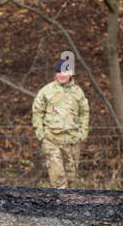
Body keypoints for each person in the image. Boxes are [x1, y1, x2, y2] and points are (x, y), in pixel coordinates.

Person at [32, 59, 89, 189]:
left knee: (72, 177)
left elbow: (85, 112)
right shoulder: (46, 91)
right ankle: (60, 204)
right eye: (59, 72)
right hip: (52, 138)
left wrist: (83, 132)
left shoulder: (78, 92)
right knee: (57, 176)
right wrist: (40, 133)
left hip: (72, 140)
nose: (61, 75)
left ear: (70, 73)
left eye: (65, 72)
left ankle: (70, 205)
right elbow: (37, 112)